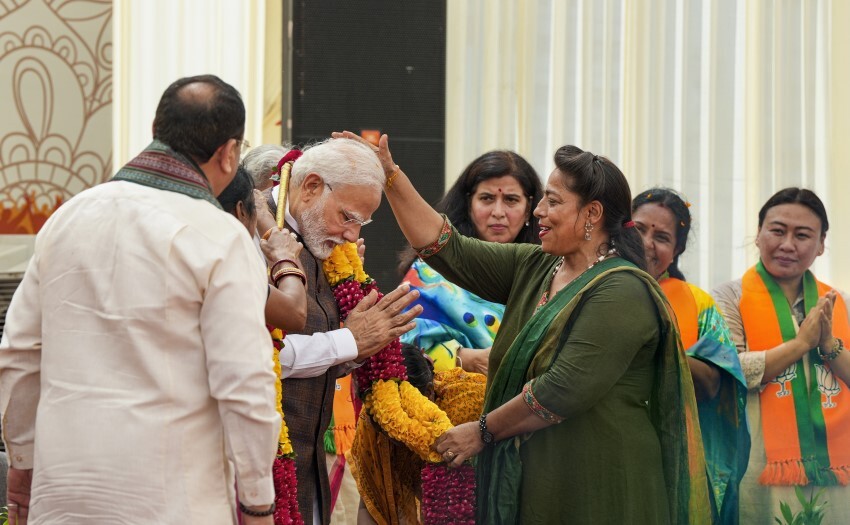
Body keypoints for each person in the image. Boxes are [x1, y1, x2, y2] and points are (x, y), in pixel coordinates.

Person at [334, 131, 711, 524]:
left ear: (592, 214)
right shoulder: (539, 266)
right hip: (535, 479)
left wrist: (480, 432)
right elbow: (447, 247)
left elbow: (561, 391)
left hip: (599, 482)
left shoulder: (623, 290)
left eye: (553, 200)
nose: (538, 212)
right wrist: (390, 176)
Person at [0, 75, 281, 524]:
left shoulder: (68, 215)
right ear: (229, 153)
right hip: (169, 501)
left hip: (63, 495)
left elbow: (17, 354)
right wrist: (257, 501)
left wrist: (22, 464)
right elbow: (243, 382)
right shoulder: (220, 235)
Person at [249, 139, 423, 525]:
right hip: (254, 464)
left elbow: (325, 352)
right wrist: (349, 340)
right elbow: (260, 355)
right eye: (347, 217)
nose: (351, 235)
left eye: (361, 222)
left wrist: (362, 346)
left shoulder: (322, 244)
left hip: (309, 465)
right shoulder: (249, 234)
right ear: (310, 186)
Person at [713, 188, 850, 524]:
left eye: (802, 235)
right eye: (777, 230)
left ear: (820, 245)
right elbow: (731, 371)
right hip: (758, 462)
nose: (788, 244)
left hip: (836, 466)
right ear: (758, 235)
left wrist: (828, 342)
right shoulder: (728, 297)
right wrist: (801, 344)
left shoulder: (839, 302)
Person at [632, 188, 749, 524]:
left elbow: (716, 384)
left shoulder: (697, 303)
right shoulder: (587, 286)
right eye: (639, 229)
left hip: (676, 456)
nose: (647, 243)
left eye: (662, 237)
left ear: (677, 250)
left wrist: (659, 343)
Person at [398, 150, 543, 375]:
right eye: (487, 198)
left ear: (529, 209)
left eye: (511, 200)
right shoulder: (430, 274)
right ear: (469, 204)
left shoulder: (549, 271)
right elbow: (397, 348)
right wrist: (461, 358)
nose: (498, 212)